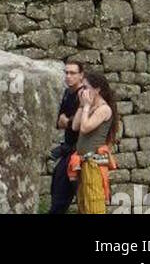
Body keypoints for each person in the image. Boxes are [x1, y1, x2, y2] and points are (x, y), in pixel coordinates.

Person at [70, 70, 120, 215]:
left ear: (97, 89)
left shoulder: (104, 109)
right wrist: (81, 105)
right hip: (83, 162)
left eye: (86, 87)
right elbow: (75, 126)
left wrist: (86, 106)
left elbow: (85, 128)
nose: (83, 91)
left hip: (94, 162)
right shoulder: (89, 106)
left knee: (94, 203)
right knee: (84, 204)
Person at [49, 57, 83, 214]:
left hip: (79, 151)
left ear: (81, 75)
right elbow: (58, 122)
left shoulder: (83, 95)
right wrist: (67, 121)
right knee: (57, 190)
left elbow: (79, 124)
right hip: (68, 149)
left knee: (68, 195)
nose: (69, 76)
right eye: (67, 73)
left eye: (73, 73)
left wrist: (67, 121)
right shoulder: (67, 93)